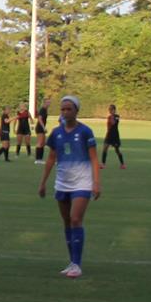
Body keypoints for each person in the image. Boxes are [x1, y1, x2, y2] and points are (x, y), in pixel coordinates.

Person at [38, 95, 102, 277]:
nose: (65, 112)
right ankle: (72, 261)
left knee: (75, 219)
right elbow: (51, 158)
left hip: (82, 182)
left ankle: (77, 264)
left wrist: (96, 182)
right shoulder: (56, 133)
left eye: (69, 109)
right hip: (62, 182)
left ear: (76, 111)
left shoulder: (85, 132)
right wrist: (43, 183)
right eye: (63, 109)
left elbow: (94, 158)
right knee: (67, 221)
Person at [103, 103, 126, 169]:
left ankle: (122, 164)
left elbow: (113, 123)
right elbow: (108, 127)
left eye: (111, 109)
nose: (109, 110)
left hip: (115, 136)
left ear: (114, 110)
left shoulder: (117, 116)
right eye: (109, 109)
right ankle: (103, 164)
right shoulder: (109, 117)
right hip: (109, 135)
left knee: (117, 150)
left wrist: (112, 115)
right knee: (105, 148)